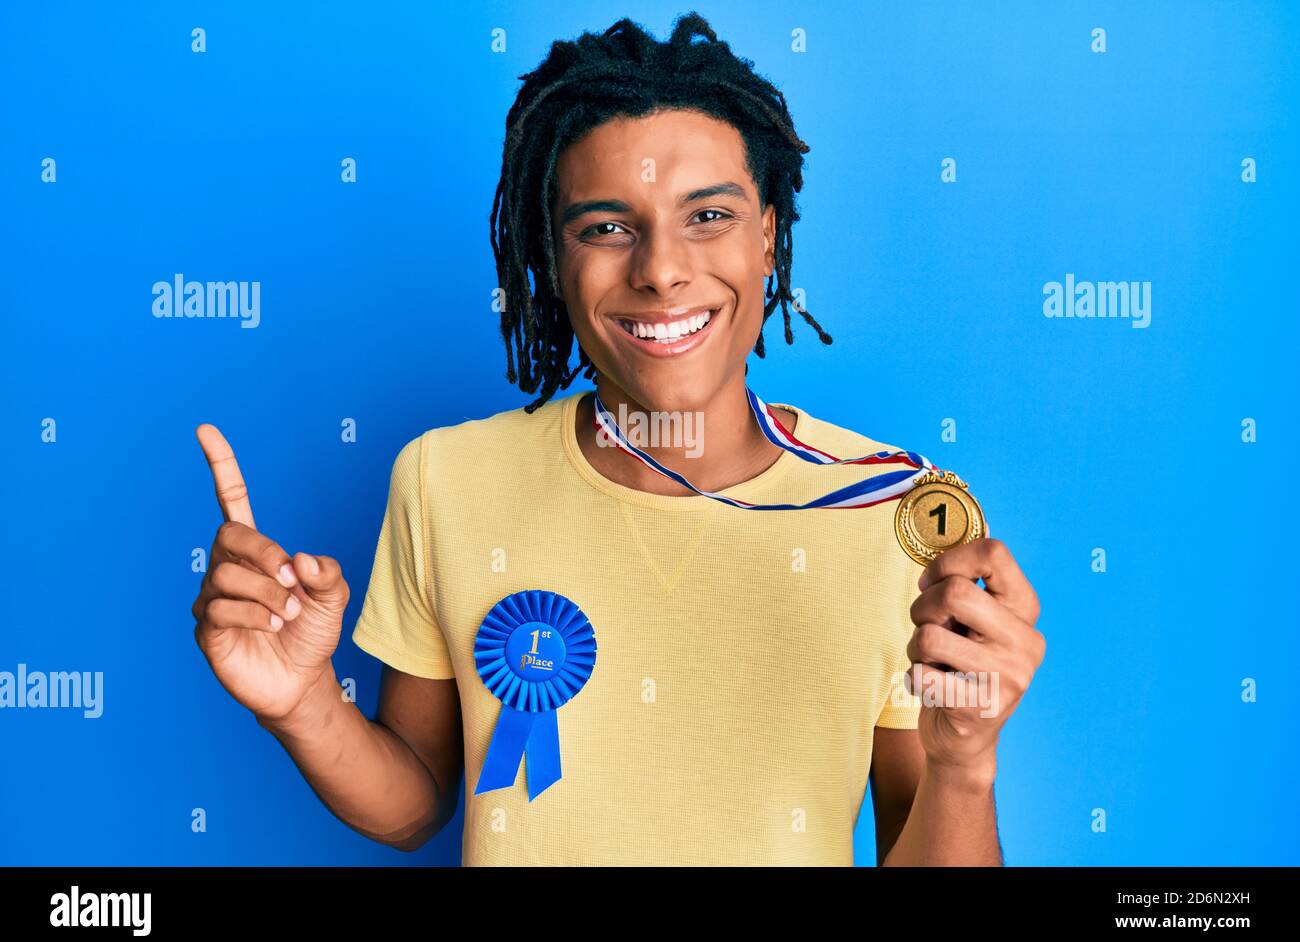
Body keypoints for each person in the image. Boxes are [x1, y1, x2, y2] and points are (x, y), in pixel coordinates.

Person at [192, 12, 1044, 866]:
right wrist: (300, 700)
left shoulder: (897, 512)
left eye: (708, 215)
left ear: (769, 238)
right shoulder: (444, 478)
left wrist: (964, 765)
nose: (660, 270)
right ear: (552, 259)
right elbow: (415, 802)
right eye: (605, 227)